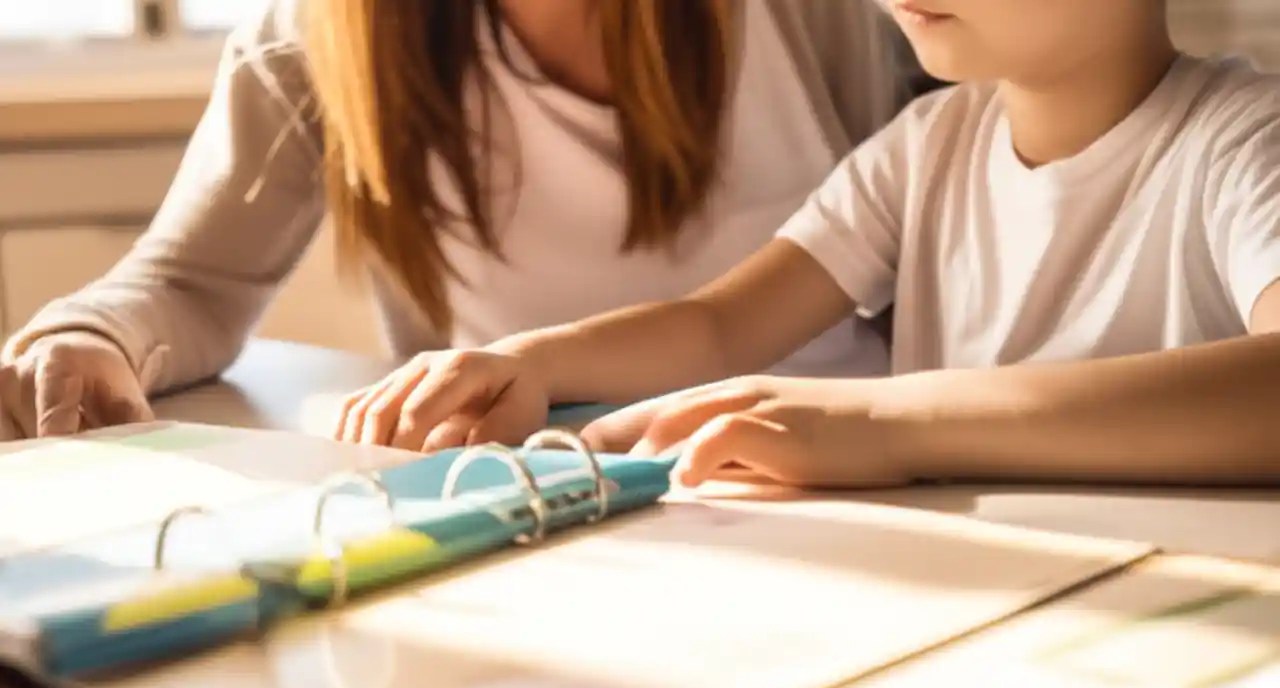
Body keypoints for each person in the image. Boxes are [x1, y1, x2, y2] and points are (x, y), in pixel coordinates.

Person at [345, 0, 1280, 489]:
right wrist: (535, 363)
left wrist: (885, 423)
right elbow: (723, 326)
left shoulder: (1245, 141)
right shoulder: (925, 149)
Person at [0, 0, 907, 439]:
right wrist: (93, 335)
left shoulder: (826, 15)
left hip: (837, 469)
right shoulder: (318, 40)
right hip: (527, 501)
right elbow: (189, 281)